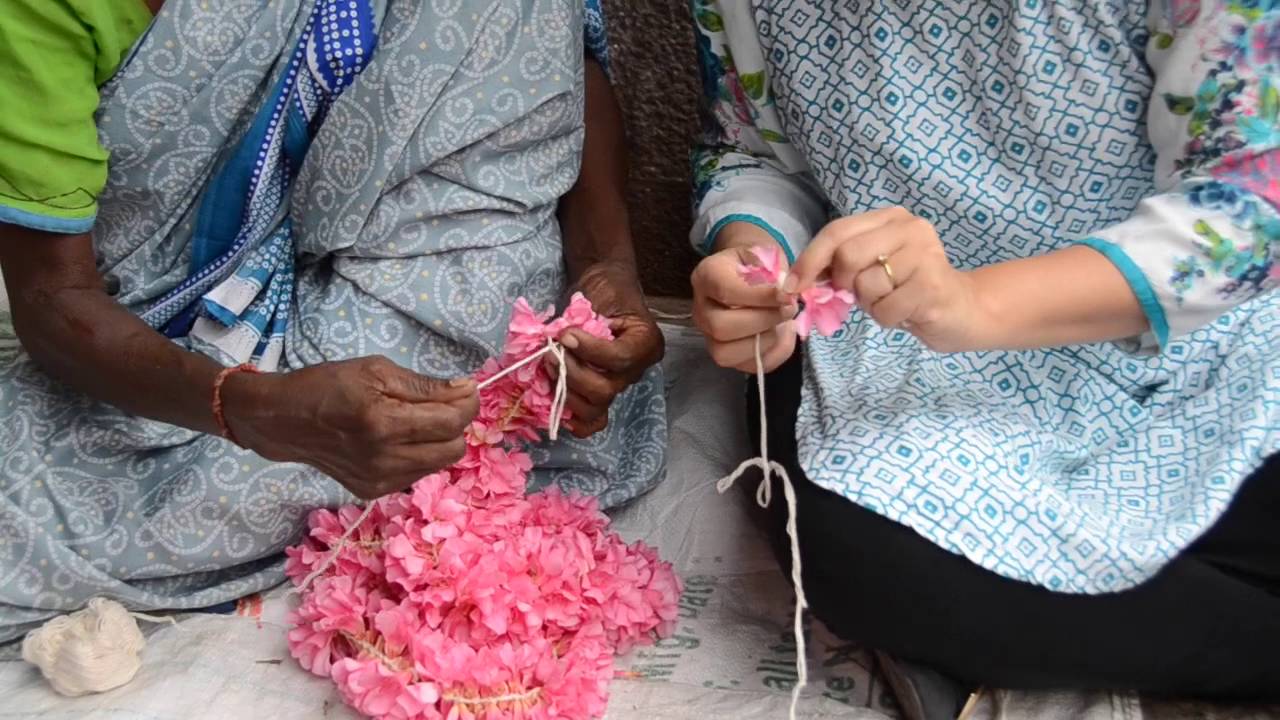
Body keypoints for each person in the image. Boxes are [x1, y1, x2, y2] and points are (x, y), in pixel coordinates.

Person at [0, 0, 666, 644]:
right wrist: (248, 411)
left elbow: (540, 54)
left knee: (470, 374)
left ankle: (441, 436)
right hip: (167, 336)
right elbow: (54, 299)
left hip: (425, 281)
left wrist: (605, 262)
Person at [686, 1, 1280, 715]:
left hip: (1199, 334)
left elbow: (1251, 199)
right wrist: (755, 254)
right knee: (869, 559)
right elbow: (750, 150)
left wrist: (976, 303)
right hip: (903, 357)